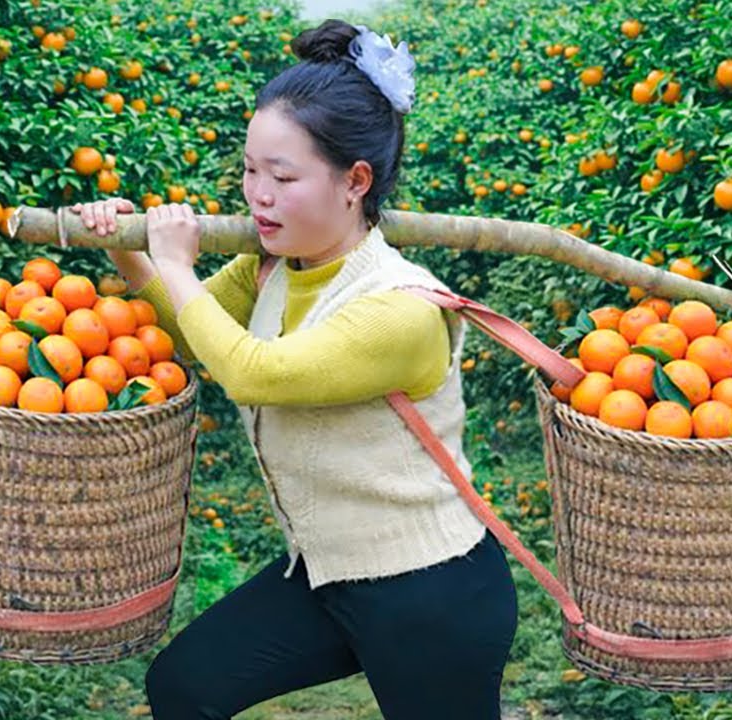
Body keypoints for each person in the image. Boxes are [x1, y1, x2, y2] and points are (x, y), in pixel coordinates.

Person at [71, 19, 517, 720]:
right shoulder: (274, 265)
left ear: (355, 181)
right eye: (251, 170)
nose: (259, 195)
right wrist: (129, 252)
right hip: (324, 574)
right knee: (185, 687)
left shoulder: (400, 308)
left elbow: (254, 372)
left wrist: (178, 264)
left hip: (429, 592)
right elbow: (190, 333)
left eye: (282, 177)